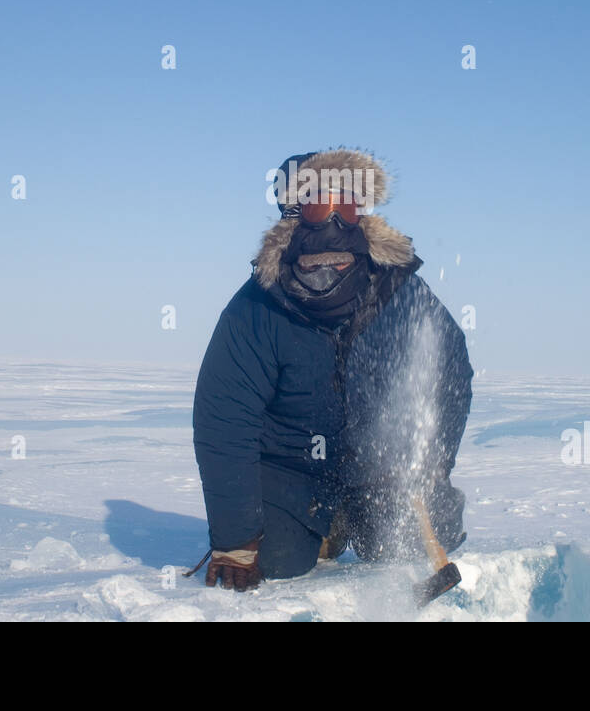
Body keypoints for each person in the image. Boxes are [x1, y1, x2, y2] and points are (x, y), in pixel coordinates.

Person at [190, 148, 473, 591]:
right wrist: (236, 540)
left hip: (378, 469)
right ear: (292, 218)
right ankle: (318, 527)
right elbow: (224, 420)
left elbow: (451, 371)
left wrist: (426, 461)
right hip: (292, 472)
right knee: (279, 562)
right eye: (321, 206)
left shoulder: (398, 290)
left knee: (411, 543)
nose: (335, 224)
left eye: (348, 207)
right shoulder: (256, 308)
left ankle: (348, 518)